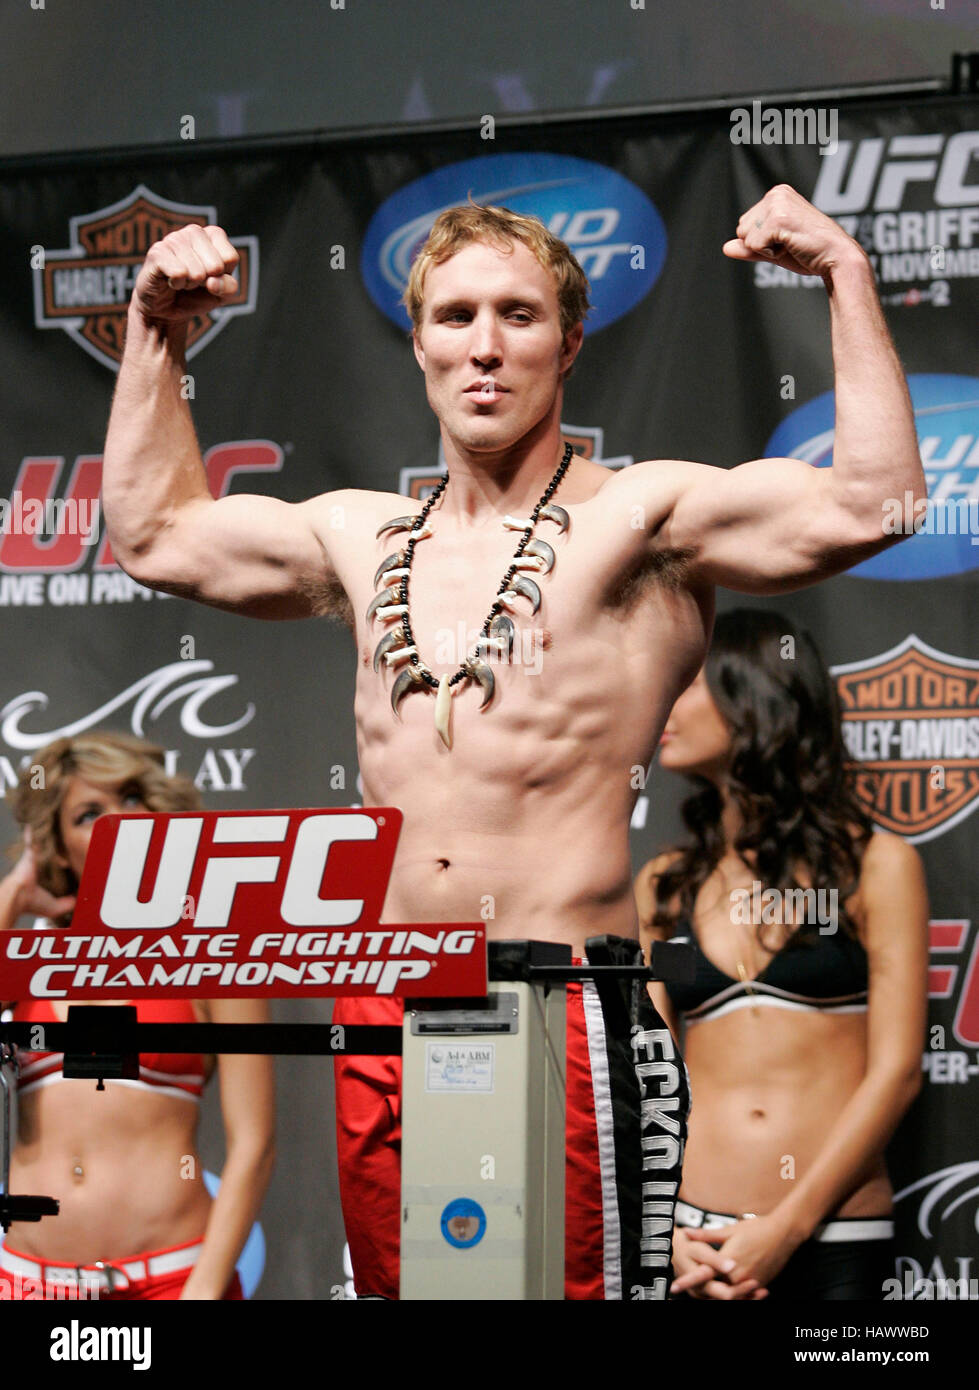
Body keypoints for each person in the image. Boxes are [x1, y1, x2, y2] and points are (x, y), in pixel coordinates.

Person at [100, 184, 925, 1299]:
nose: (483, 346)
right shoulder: (357, 535)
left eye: (518, 316)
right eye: (453, 317)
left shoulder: (645, 521)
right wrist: (155, 330)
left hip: (556, 1007)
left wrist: (845, 274)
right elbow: (154, 535)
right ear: (418, 345)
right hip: (391, 1003)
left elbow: (874, 506)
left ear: (570, 340)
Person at [634, 610, 928, 1300]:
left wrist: (786, 1229)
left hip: (831, 1240)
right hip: (690, 1247)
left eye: (686, 685)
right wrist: (662, 1230)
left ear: (752, 697)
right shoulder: (664, 885)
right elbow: (652, 1070)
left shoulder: (874, 866)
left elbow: (896, 1072)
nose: (660, 704)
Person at [0, 733, 275, 1300]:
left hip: (172, 1281)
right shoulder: (24, 958)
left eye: (131, 799)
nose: (120, 821)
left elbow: (255, 1142)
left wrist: (201, 1291)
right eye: (88, 814)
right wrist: (18, 890)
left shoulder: (215, 951)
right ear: (56, 847)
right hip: (28, 1284)